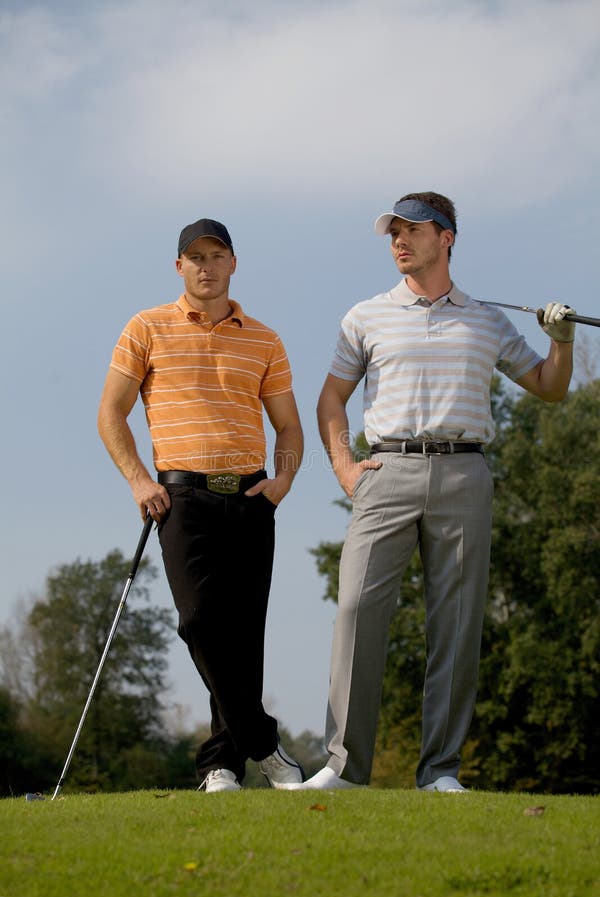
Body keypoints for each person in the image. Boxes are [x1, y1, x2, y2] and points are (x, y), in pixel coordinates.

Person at [290, 191, 575, 792]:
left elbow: (550, 387)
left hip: (464, 474)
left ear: (446, 238)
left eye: (413, 230)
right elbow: (331, 399)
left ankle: (440, 771)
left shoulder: (487, 319)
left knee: (457, 622)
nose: (399, 240)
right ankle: (344, 769)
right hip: (386, 473)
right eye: (393, 231)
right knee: (356, 612)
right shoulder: (365, 315)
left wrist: (563, 339)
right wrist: (344, 469)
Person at [98, 217, 305, 793]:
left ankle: (221, 765)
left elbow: (288, 426)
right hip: (180, 497)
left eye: (217, 256)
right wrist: (140, 481)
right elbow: (109, 414)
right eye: (196, 258)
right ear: (179, 266)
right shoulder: (146, 327)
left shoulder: (264, 338)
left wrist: (283, 483)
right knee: (198, 623)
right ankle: (266, 748)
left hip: (250, 495)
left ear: (233, 264)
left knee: (244, 636)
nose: (206, 267)